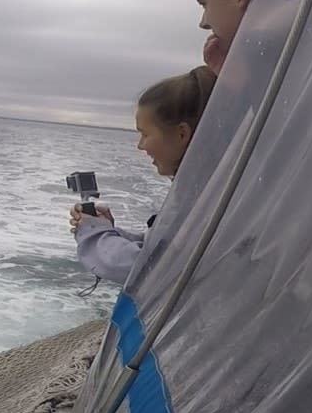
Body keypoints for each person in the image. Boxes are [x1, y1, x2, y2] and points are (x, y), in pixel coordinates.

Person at [70, 66, 217, 283]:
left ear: (182, 133)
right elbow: (165, 248)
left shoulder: (204, 199)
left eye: (145, 134)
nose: (141, 146)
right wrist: (108, 230)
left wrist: (93, 232)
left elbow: (149, 269)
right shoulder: (211, 187)